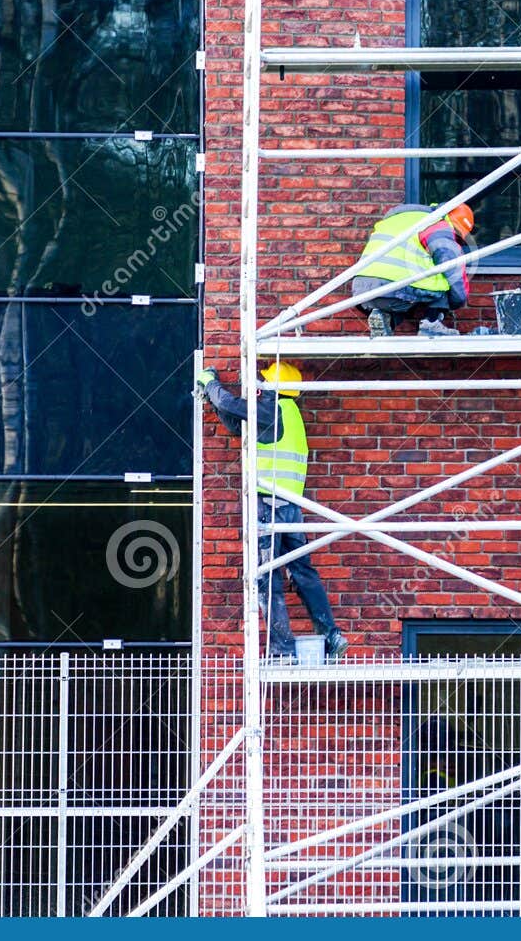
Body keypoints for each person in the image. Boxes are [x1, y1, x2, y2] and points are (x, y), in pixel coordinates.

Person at [197, 360, 349, 661]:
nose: (260, 387)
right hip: (292, 508)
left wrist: (209, 382)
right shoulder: (289, 414)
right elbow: (235, 421)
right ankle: (331, 634)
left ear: (274, 389)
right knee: (304, 573)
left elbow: (229, 403)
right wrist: (216, 402)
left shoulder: (270, 412)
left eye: (264, 384)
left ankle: (282, 649)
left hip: (269, 506)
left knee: (267, 579)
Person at [351, 203, 474, 337]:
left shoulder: (394, 220)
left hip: (362, 292)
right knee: (444, 281)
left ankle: (384, 318)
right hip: (395, 291)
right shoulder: (437, 224)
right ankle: (431, 324)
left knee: (407, 298)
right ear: (452, 221)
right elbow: (451, 265)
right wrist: (458, 300)